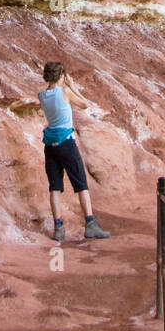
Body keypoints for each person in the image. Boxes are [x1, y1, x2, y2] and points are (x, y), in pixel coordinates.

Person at [38, 61, 110, 242]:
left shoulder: (41, 95)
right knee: (81, 184)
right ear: (61, 76)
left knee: (54, 187)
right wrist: (72, 85)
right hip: (67, 144)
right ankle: (90, 224)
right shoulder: (65, 92)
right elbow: (85, 105)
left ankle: (58, 228)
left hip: (50, 145)